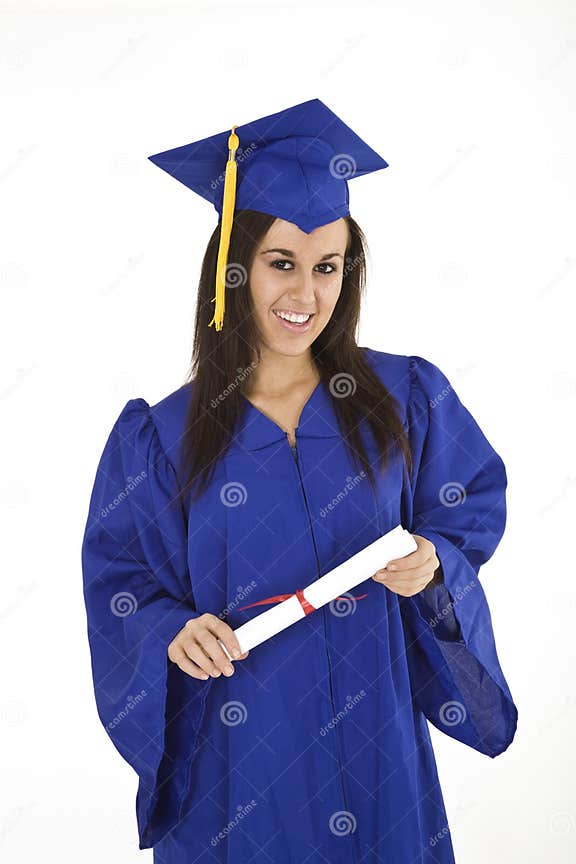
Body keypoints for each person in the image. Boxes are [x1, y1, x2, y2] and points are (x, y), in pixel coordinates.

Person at [81, 99, 518, 863]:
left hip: (376, 738)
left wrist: (433, 561)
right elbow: (122, 582)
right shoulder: (161, 436)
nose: (305, 295)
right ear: (235, 268)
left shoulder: (406, 398)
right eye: (282, 263)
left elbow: (466, 515)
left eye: (327, 267)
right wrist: (172, 633)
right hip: (238, 757)